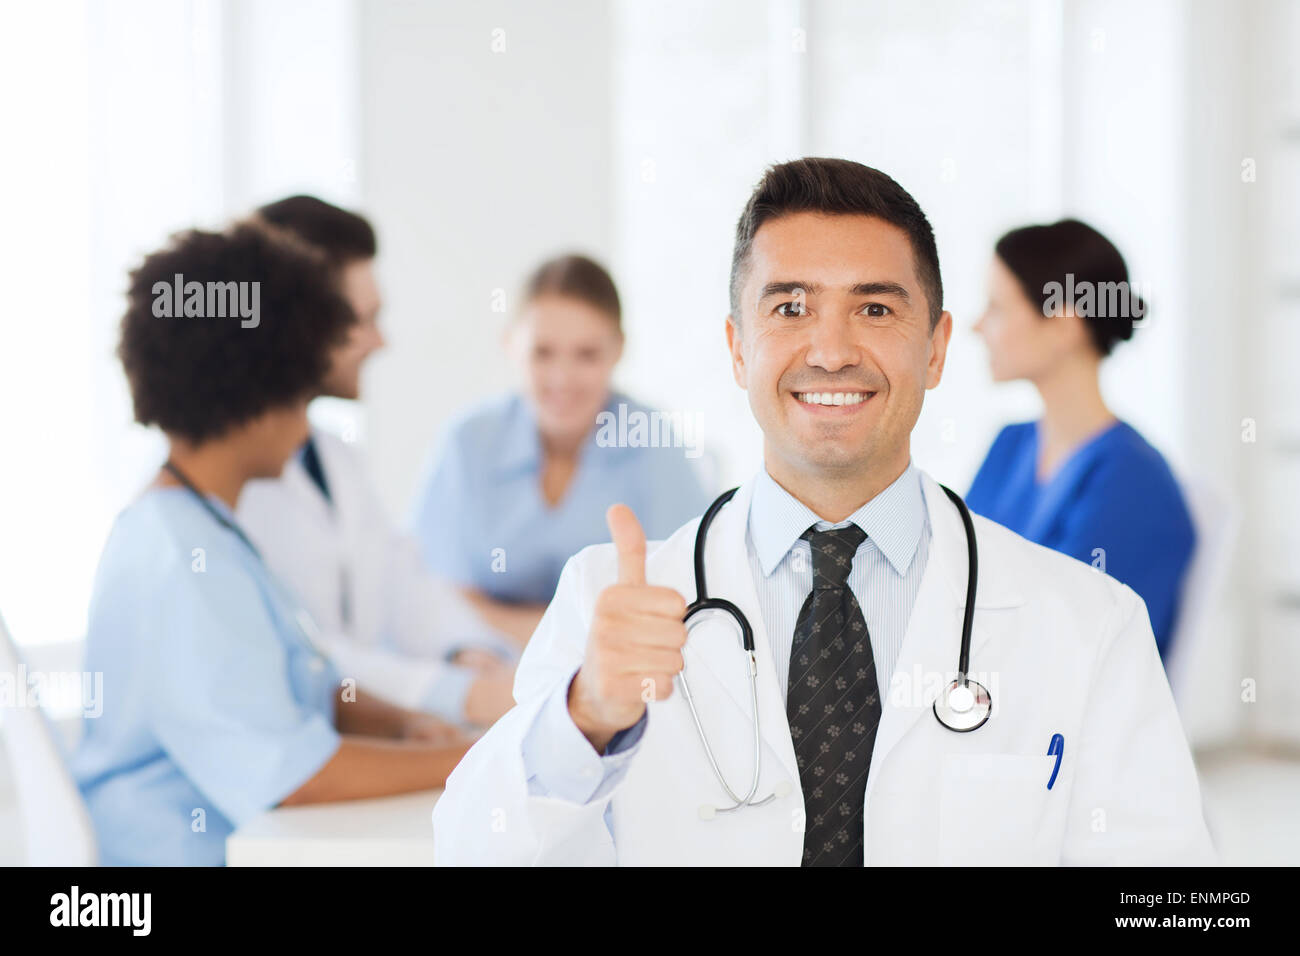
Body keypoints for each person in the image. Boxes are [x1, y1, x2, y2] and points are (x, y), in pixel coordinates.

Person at [431, 158, 1215, 866]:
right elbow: (473, 851)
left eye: (875, 310)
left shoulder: (1091, 624)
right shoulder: (606, 601)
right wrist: (586, 719)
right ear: (738, 349)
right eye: (790, 308)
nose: (831, 350)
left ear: (936, 349)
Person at [71, 223, 471, 866]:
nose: (306, 417)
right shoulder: (182, 563)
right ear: (257, 394)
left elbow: (300, 690)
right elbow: (296, 776)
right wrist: (476, 758)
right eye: (303, 391)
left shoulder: (203, 531)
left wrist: (400, 723)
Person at [237, 196, 515, 727]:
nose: (381, 341)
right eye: (363, 321)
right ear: (299, 324)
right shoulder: (231, 485)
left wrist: (466, 652)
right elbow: (297, 654)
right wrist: (458, 693)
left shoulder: (336, 459)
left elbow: (402, 583)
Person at [409, 254, 711, 644]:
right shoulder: (469, 442)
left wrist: (502, 621)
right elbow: (432, 597)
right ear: (509, 345)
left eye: (586, 355)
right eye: (543, 353)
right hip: (484, 671)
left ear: (618, 350)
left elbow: (684, 599)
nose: (562, 378)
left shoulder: (653, 440)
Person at [966, 219, 1195, 660]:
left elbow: (1069, 645)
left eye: (996, 308)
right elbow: (953, 573)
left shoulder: (1132, 481)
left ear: (1063, 326)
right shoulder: (1010, 445)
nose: (977, 326)